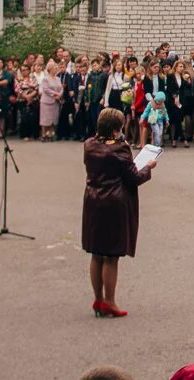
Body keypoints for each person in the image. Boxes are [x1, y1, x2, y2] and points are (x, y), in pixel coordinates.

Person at [82, 107, 155, 319]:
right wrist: (148, 167)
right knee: (111, 255)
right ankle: (110, 301)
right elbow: (134, 178)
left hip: (93, 200)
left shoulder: (89, 145)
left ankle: (98, 298)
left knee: (97, 253)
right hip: (114, 203)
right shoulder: (120, 149)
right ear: (116, 129)